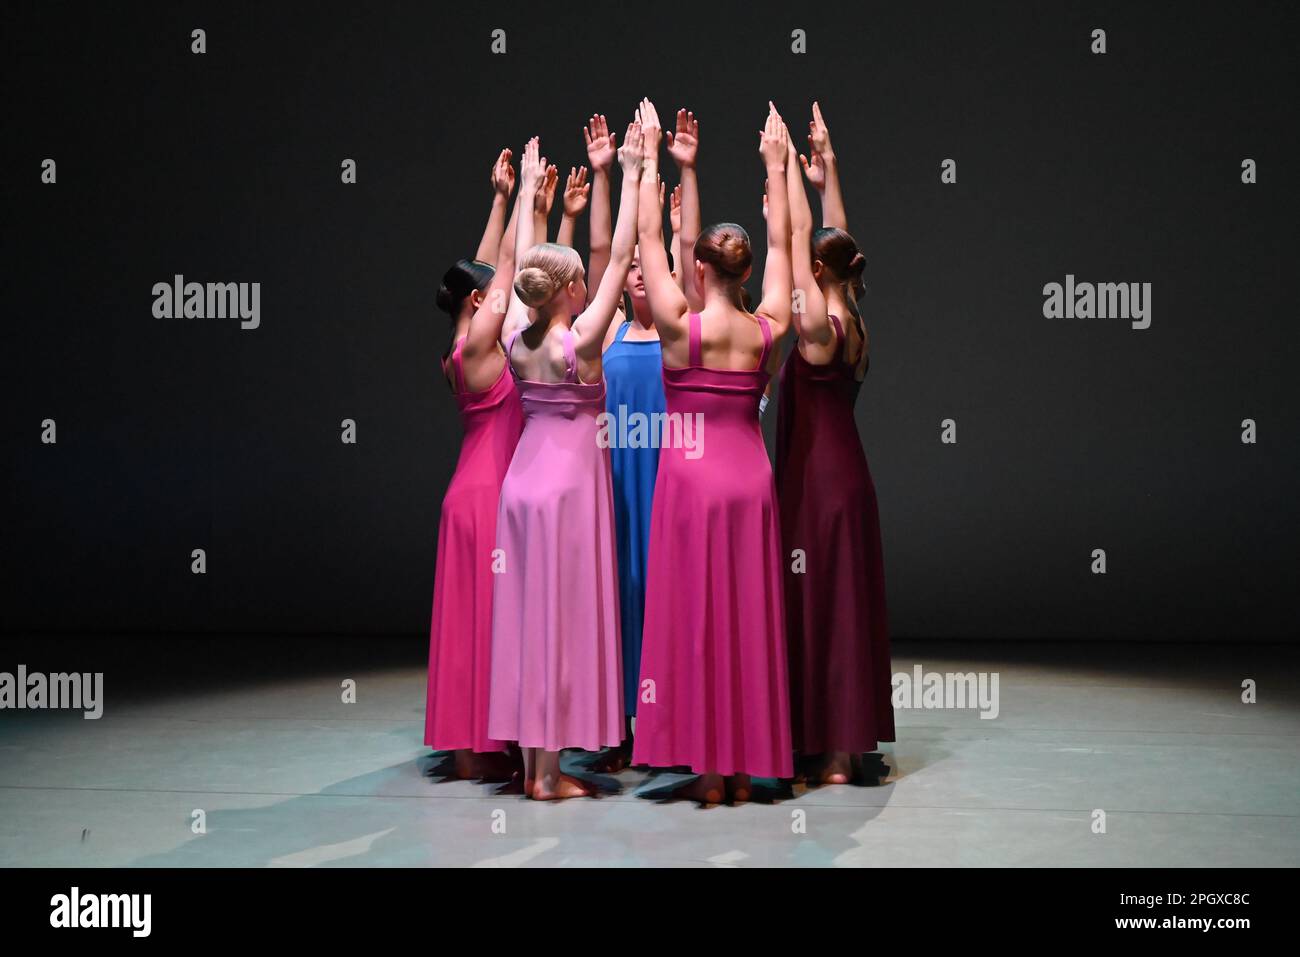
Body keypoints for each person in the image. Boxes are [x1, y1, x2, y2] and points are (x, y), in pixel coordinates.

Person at [631, 99, 795, 805]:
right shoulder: (768, 330)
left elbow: (645, 238)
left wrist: (648, 166)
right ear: (744, 267)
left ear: (698, 268)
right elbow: (787, 248)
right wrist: (778, 171)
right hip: (749, 480)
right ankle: (741, 762)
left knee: (696, 618)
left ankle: (707, 767)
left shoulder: (678, 326)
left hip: (691, 482)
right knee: (745, 617)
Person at [488, 124, 645, 800]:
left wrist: (529, 195)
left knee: (527, 619)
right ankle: (548, 776)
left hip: (522, 483)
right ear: (569, 289)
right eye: (579, 281)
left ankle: (532, 767)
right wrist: (634, 174)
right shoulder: (575, 340)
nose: (590, 284)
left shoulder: (514, 338)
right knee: (554, 622)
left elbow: (533, 261)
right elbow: (618, 262)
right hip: (567, 494)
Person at [776, 102, 895, 784]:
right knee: (842, 605)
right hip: (843, 477)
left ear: (816, 274)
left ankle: (839, 756)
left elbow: (802, 246)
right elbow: (833, 241)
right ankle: (841, 743)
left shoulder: (818, 328)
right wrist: (827, 174)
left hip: (818, 484)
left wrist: (786, 176)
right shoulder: (849, 309)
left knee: (825, 605)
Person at [424, 148, 530, 781]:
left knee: (468, 620)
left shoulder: (456, 348)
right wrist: (524, 208)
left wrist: (498, 200)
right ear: (481, 300)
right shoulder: (485, 344)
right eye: (492, 295)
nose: (502, 296)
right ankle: (485, 746)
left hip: (465, 491)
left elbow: (488, 269)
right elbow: (508, 268)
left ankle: (470, 747)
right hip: (490, 494)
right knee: (488, 618)